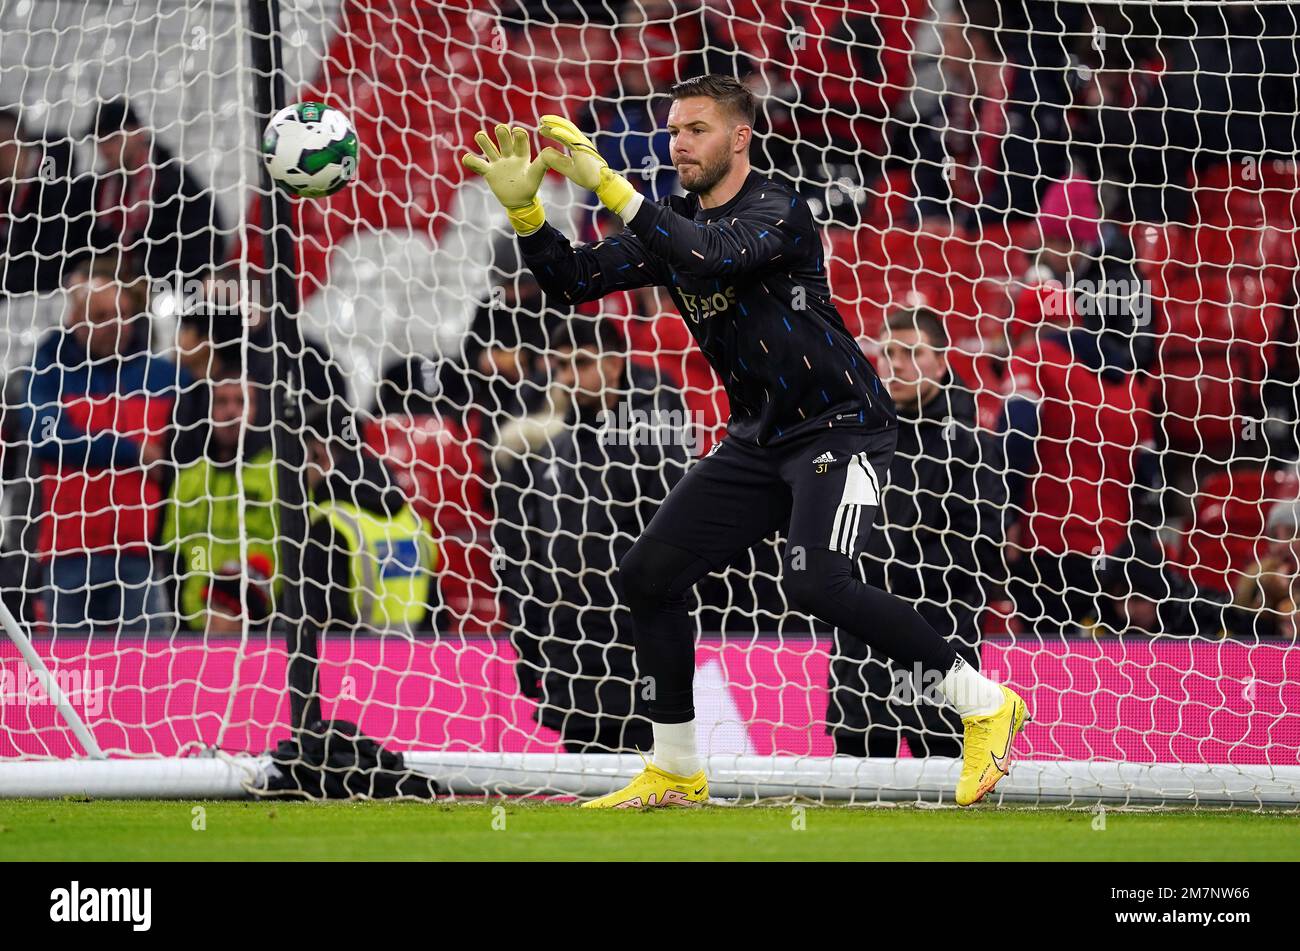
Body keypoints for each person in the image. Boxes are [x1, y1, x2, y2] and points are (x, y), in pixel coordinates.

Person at [463, 73, 1030, 809]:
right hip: (760, 436)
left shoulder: (780, 211)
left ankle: (985, 702)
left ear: (740, 137)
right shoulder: (670, 222)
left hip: (840, 424)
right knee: (648, 577)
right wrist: (528, 212)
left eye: (695, 128)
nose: (678, 143)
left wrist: (605, 181)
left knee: (815, 582)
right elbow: (573, 281)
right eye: (671, 130)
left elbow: (705, 255)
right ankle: (674, 766)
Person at [828, 308, 1007, 758]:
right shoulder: (861, 433)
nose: (898, 364)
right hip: (862, 637)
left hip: (938, 631)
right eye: (890, 352)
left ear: (941, 361)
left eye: (912, 352)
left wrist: (899, 570)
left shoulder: (969, 442)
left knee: (944, 773)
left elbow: (981, 543)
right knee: (854, 775)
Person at [505, 317, 690, 753]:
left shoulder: (650, 447)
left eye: (580, 363)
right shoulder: (548, 454)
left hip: (633, 650)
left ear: (613, 364)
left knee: (645, 783)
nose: (567, 377)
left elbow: (677, 553)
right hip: (567, 650)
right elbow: (530, 555)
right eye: (561, 366)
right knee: (584, 795)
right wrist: (527, 642)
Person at [21, 255, 177, 633]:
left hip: (140, 553)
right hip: (67, 553)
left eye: (121, 315)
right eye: (102, 316)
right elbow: (49, 439)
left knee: (149, 676)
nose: (116, 327)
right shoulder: (48, 373)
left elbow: (183, 451)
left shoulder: (165, 377)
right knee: (67, 675)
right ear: (75, 320)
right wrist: (134, 452)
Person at [159, 358, 278, 635]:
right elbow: (175, 557)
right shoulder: (189, 479)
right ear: (208, 410)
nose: (231, 412)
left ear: (258, 410)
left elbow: (291, 559)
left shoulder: (277, 477)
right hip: (196, 628)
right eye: (221, 402)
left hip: (263, 629)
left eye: (241, 401)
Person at [300, 404, 438, 636]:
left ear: (318, 452)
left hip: (353, 665)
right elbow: (436, 614)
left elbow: (324, 624)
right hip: (419, 662)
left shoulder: (330, 526)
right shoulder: (412, 522)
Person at [85, 97, 226, 283]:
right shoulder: (99, 188)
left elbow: (203, 248)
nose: (105, 148)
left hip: (168, 290)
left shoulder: (174, 183)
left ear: (139, 133)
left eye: (113, 138)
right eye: (99, 140)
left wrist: (143, 277)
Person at [0, 107, 96, 294]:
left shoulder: (56, 189)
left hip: (54, 296)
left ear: (10, 147)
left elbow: (50, 264)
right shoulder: (9, 191)